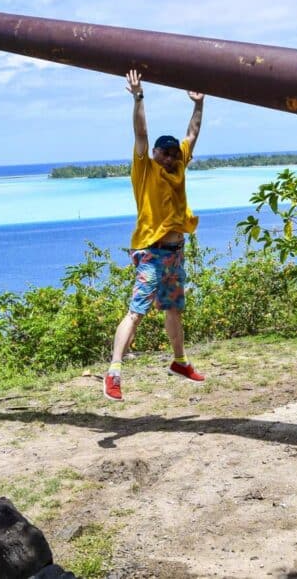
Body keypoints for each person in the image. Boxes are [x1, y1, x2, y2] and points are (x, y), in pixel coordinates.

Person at [104, 69, 205, 401]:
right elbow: (141, 132)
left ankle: (180, 362)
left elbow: (192, 133)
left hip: (175, 251)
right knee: (136, 311)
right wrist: (138, 97)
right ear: (155, 155)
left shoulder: (178, 166)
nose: (171, 158)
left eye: (174, 154)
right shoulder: (144, 169)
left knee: (174, 308)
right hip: (152, 251)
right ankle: (114, 372)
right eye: (166, 154)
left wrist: (199, 104)